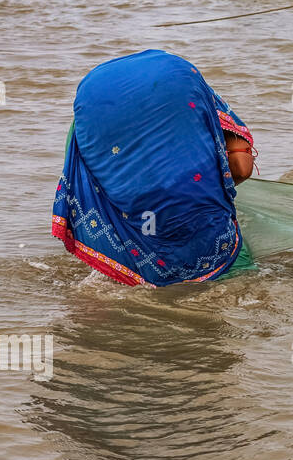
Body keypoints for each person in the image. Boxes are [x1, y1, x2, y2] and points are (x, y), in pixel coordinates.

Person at [52, 50, 256, 286]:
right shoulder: (197, 103)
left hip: (132, 251)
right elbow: (241, 169)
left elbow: (85, 186)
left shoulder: (92, 120)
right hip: (212, 243)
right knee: (238, 282)